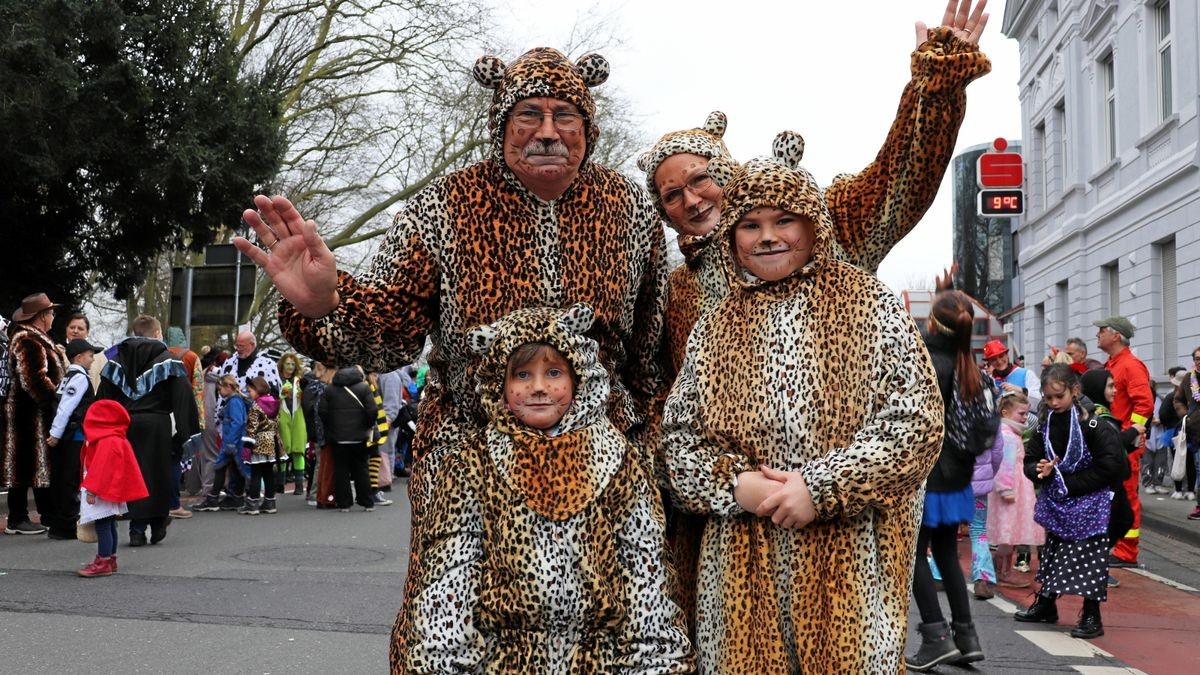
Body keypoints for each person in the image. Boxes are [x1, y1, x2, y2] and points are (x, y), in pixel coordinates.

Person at [234, 47, 668, 474]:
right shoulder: (443, 205)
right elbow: (395, 336)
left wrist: (647, 452)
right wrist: (326, 305)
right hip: (467, 461)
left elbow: (651, 359)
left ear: (587, 128)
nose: (548, 132)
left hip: (604, 466)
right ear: (501, 126)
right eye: (529, 115)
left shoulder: (630, 207)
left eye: (566, 116)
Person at [661, 137, 943, 673]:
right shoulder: (716, 325)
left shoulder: (867, 300)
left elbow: (917, 422)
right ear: (731, 236)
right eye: (750, 225)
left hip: (848, 555)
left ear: (812, 223)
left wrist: (821, 487)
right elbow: (678, 441)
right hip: (741, 567)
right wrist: (735, 486)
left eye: (783, 221)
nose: (767, 237)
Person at [398, 304, 691, 671]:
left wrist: (653, 662)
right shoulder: (472, 463)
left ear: (579, 376)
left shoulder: (618, 460)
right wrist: (445, 662)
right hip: (503, 658)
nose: (538, 388)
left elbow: (644, 570)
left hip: (600, 658)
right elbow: (451, 575)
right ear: (499, 385)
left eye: (553, 372)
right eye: (522, 375)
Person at [907, 289, 997, 671]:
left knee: (913, 555)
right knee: (945, 552)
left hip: (929, 476)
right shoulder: (969, 363)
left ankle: (936, 636)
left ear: (932, 323)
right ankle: (966, 636)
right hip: (958, 477)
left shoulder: (928, 360)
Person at [1015, 364, 1126, 639]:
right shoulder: (1046, 425)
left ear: (1074, 391)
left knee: (1090, 562)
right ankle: (1047, 603)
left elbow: (1110, 467)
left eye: (1058, 396)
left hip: (1091, 503)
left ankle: (1092, 615)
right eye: (1048, 397)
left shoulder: (1094, 425)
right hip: (1060, 502)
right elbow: (1031, 458)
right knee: (1052, 556)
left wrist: (1068, 484)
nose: (1053, 402)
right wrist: (1038, 470)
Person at [97, 315, 200, 546]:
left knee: (133, 475)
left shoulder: (117, 360)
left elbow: (103, 399)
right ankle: (158, 523)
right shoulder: (169, 361)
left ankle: (136, 529)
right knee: (158, 474)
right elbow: (183, 397)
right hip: (158, 424)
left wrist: (101, 431)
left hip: (126, 424)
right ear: (157, 334)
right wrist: (188, 434)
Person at [2, 292, 67, 536]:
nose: (53, 317)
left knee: (36, 464)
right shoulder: (27, 339)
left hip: (34, 412)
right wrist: (55, 400)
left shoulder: (37, 338)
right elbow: (33, 378)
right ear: (41, 317)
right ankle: (17, 518)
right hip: (27, 413)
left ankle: (45, 514)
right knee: (24, 464)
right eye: (51, 313)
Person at [1092, 316, 1153, 567]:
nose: (1097, 334)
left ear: (1116, 335)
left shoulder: (1130, 365)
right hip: (1114, 442)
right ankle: (1117, 545)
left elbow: (1145, 404)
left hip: (1124, 445)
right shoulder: (1115, 363)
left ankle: (1127, 552)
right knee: (1116, 496)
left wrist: (1129, 434)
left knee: (1126, 496)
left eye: (1101, 330)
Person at [76, 400, 149, 577]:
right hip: (111, 488)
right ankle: (110, 558)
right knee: (109, 523)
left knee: (102, 524)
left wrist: (92, 489)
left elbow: (101, 467)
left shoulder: (105, 440)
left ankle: (103, 560)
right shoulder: (116, 438)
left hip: (101, 488)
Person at [1080, 368, 1138, 587]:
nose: (1115, 390)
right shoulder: (1099, 416)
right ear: (1098, 388)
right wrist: (1132, 433)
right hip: (1106, 482)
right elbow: (1111, 448)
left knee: (1117, 521)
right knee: (1114, 522)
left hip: (1109, 480)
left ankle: (1095, 566)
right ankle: (1094, 568)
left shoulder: (1101, 414)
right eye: (1110, 386)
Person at [44, 338, 103, 539]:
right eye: (90, 356)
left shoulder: (66, 378)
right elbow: (66, 408)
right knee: (70, 480)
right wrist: (55, 434)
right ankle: (66, 525)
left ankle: (59, 523)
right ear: (79, 357)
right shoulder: (79, 379)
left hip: (67, 436)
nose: (92, 360)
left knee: (62, 479)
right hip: (74, 436)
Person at [986, 392, 1042, 588]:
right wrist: (1006, 489)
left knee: (1011, 533)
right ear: (1005, 412)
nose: (1026, 417)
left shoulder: (1010, 432)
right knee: (1009, 533)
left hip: (1016, 487)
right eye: (1021, 413)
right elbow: (1004, 465)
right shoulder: (1008, 436)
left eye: (1027, 413)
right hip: (1011, 490)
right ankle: (1004, 571)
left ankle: (1000, 567)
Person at [318, 366, 377, 512]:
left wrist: (331, 426)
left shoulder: (330, 389)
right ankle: (367, 502)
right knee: (361, 469)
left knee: (341, 471)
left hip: (338, 437)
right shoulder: (364, 388)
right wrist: (368, 425)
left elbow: (322, 411)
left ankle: (344, 504)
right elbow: (372, 410)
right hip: (359, 436)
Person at [196, 375, 250, 512]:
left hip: (231, 441)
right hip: (235, 441)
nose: (219, 392)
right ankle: (236, 497)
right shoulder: (236, 400)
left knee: (221, 468)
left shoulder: (234, 402)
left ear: (228, 387)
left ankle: (213, 498)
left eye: (220, 389)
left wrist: (230, 442)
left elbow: (237, 422)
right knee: (236, 469)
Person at [239, 376, 281, 516]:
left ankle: (253, 503)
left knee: (256, 473)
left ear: (258, 390)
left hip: (258, 442)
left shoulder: (256, 406)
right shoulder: (275, 403)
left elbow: (252, 428)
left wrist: (247, 447)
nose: (248, 393)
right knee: (268, 473)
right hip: (271, 441)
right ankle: (270, 502)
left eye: (250, 391)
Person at [276, 353, 308, 496]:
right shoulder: (276, 380)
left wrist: (303, 394)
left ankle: (299, 485)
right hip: (282, 415)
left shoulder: (299, 381)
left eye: (292, 364)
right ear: (282, 364)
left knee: (298, 450)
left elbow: (307, 399)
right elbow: (269, 400)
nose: (290, 366)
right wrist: (280, 395)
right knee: (283, 450)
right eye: (287, 364)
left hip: (298, 416)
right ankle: (280, 484)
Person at [217, 331, 281, 396]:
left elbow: (275, 393)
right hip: (228, 405)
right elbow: (219, 385)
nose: (238, 349)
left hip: (256, 405)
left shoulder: (268, 364)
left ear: (252, 344)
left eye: (241, 346)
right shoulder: (229, 361)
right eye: (237, 346)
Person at [983, 338, 1041, 408]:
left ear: (1007, 355)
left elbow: (1040, 401)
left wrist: (1020, 390)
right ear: (990, 362)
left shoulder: (1026, 374)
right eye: (994, 359)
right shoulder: (989, 381)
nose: (999, 361)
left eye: (1001, 356)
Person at [65, 312, 107, 388]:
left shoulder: (99, 357)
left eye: (80, 329)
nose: (75, 331)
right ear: (66, 329)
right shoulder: (57, 353)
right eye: (72, 327)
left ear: (87, 332)